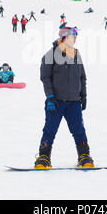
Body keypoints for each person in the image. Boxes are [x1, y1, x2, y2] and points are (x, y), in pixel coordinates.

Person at [34, 25, 94, 169]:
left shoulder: (76, 54)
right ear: (63, 37)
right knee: (50, 129)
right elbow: (45, 77)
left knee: (79, 130)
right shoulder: (50, 54)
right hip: (56, 101)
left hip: (73, 101)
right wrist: (49, 97)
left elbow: (82, 77)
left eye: (75, 37)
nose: (75, 39)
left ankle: (84, 156)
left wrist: (83, 96)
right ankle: (44, 157)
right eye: (72, 37)